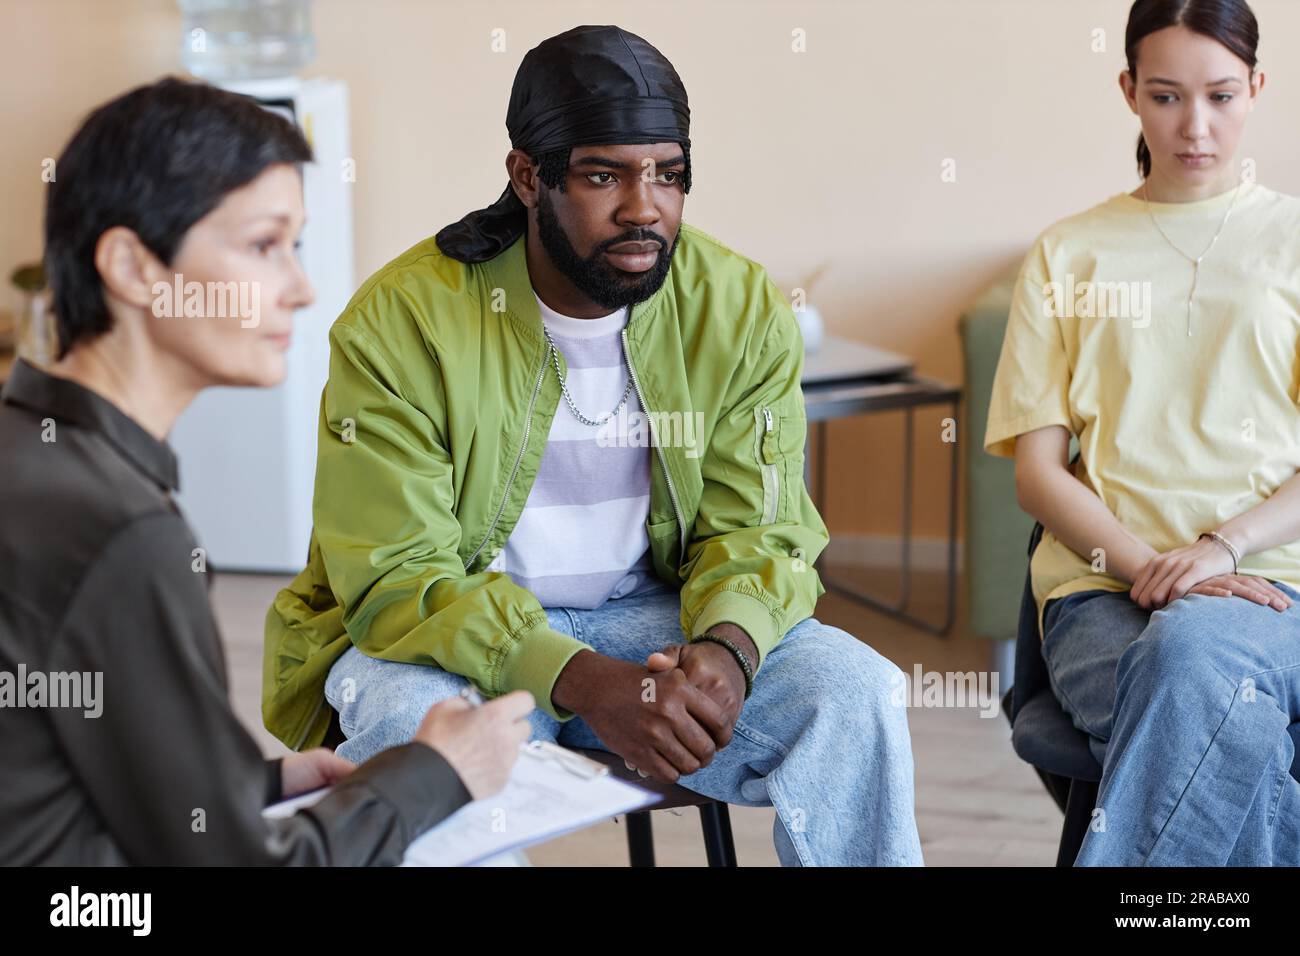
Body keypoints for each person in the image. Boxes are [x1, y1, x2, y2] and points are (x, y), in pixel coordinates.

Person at [264, 24, 923, 866]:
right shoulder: (404, 320)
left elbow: (764, 527)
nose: (645, 206)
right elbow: (395, 575)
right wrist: (580, 679)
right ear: (528, 176)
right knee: (410, 734)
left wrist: (727, 649)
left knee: (854, 692)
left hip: (650, 618)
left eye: (669, 175)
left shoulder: (739, 306)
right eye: (604, 175)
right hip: (443, 636)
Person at [0, 76, 532, 866]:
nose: (301, 287)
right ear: (133, 266)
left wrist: (246, 786)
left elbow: (42, 779)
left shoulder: (35, 458)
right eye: (263, 245)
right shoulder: (120, 530)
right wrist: (434, 773)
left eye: (296, 244)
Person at [985, 0, 1300, 864]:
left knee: (1197, 662)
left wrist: (1220, 551)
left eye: (1221, 96)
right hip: (1100, 594)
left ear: (1257, 89)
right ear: (1128, 92)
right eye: (1165, 97)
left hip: (1278, 589)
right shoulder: (1067, 252)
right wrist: (1150, 569)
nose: (1195, 126)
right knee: (1230, 720)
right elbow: (1039, 475)